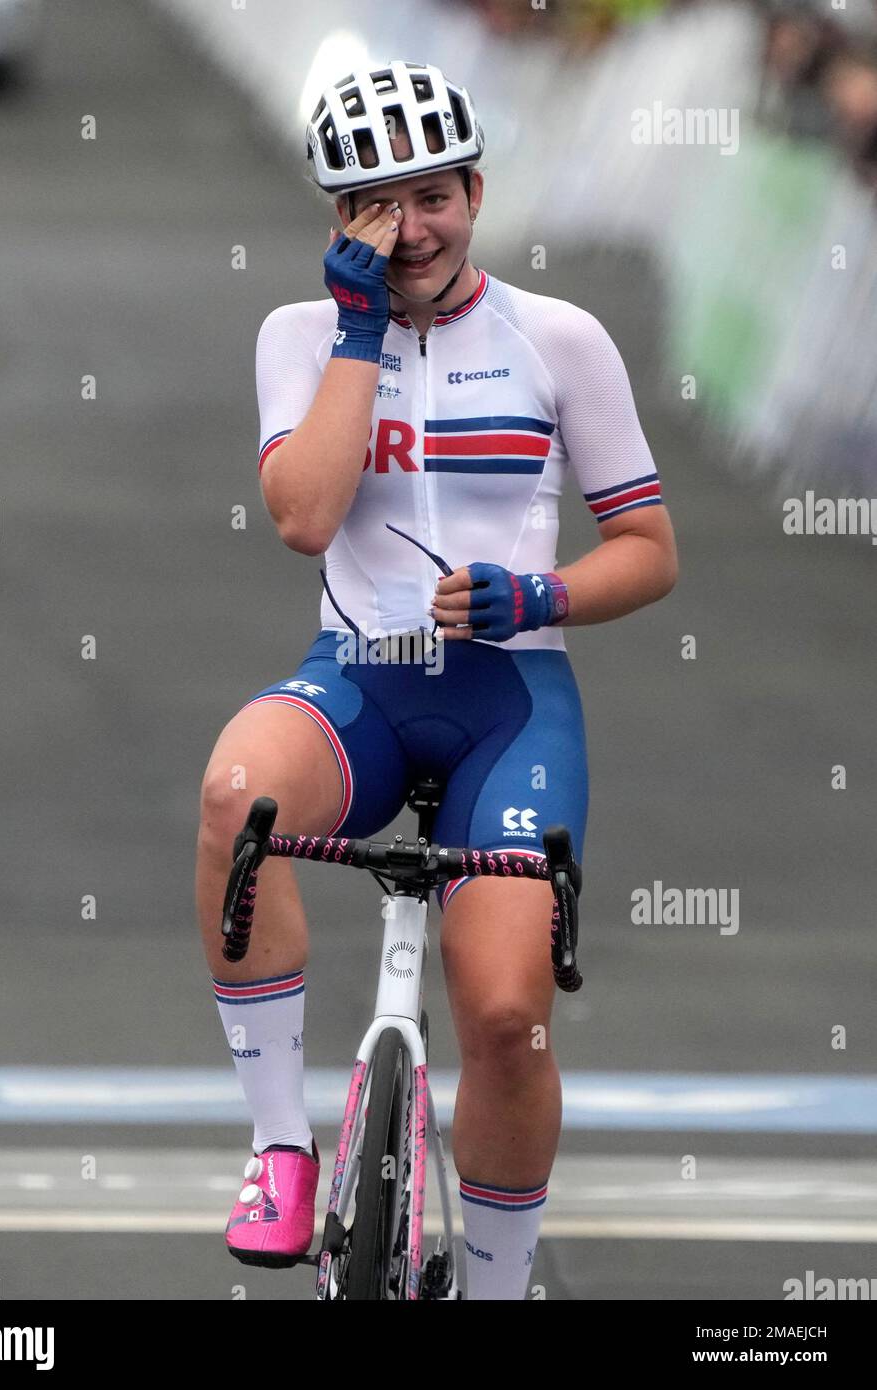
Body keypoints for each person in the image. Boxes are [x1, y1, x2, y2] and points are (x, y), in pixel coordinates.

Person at [196, 60, 677, 1300]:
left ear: (474, 188)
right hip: (358, 681)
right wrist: (359, 332)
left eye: (428, 199)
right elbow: (304, 518)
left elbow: (650, 552)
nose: (405, 233)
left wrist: (543, 595)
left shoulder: (557, 339)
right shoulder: (298, 336)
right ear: (334, 220)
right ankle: (278, 1151)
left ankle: (504, 1283)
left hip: (506, 703)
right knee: (233, 794)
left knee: (509, 1019)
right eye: (369, 207)